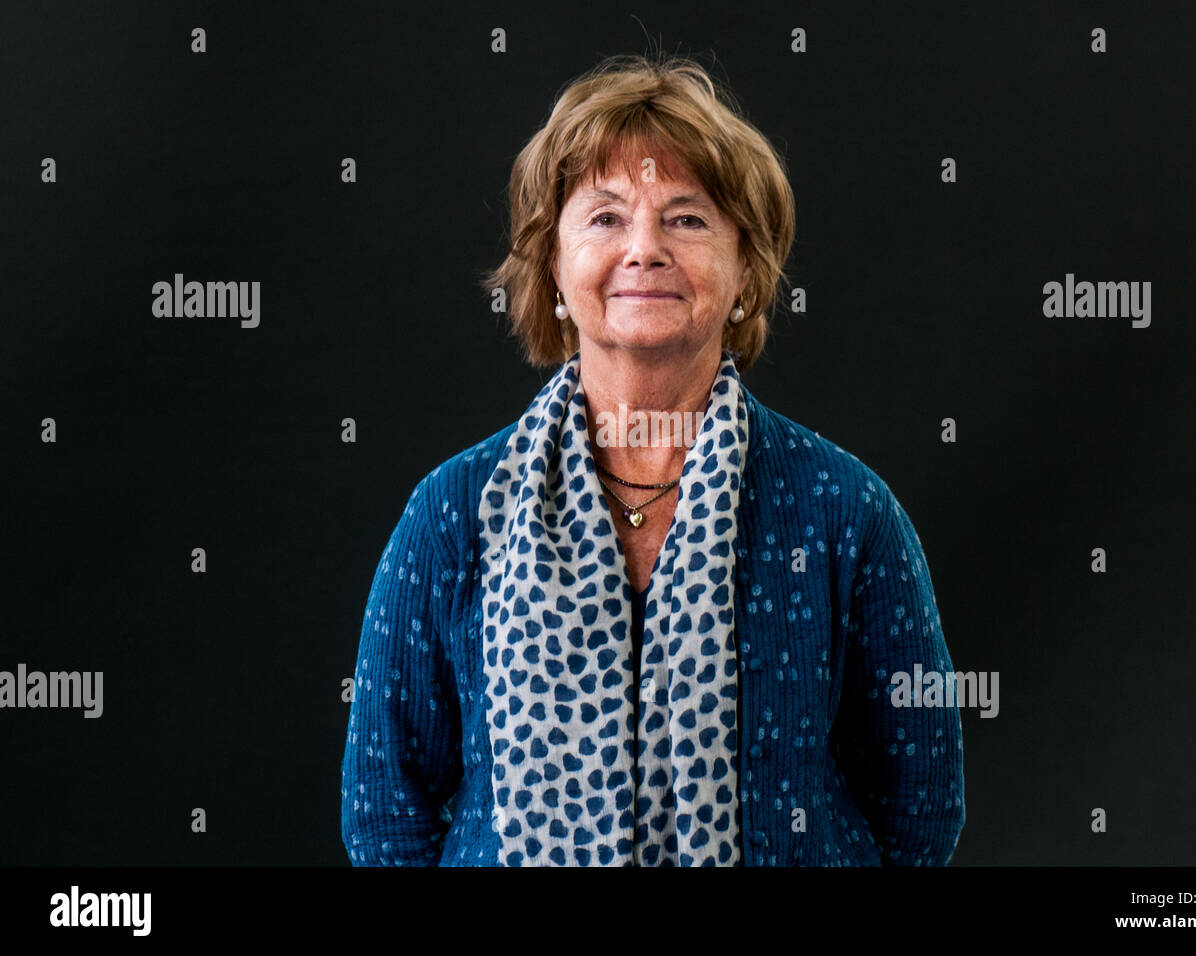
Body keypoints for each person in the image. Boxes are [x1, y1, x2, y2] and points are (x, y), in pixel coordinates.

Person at [340, 52, 965, 866]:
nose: (644, 249)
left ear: (746, 270)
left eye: (687, 218)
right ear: (554, 269)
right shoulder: (453, 513)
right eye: (604, 217)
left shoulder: (848, 512)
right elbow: (384, 809)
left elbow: (921, 805)